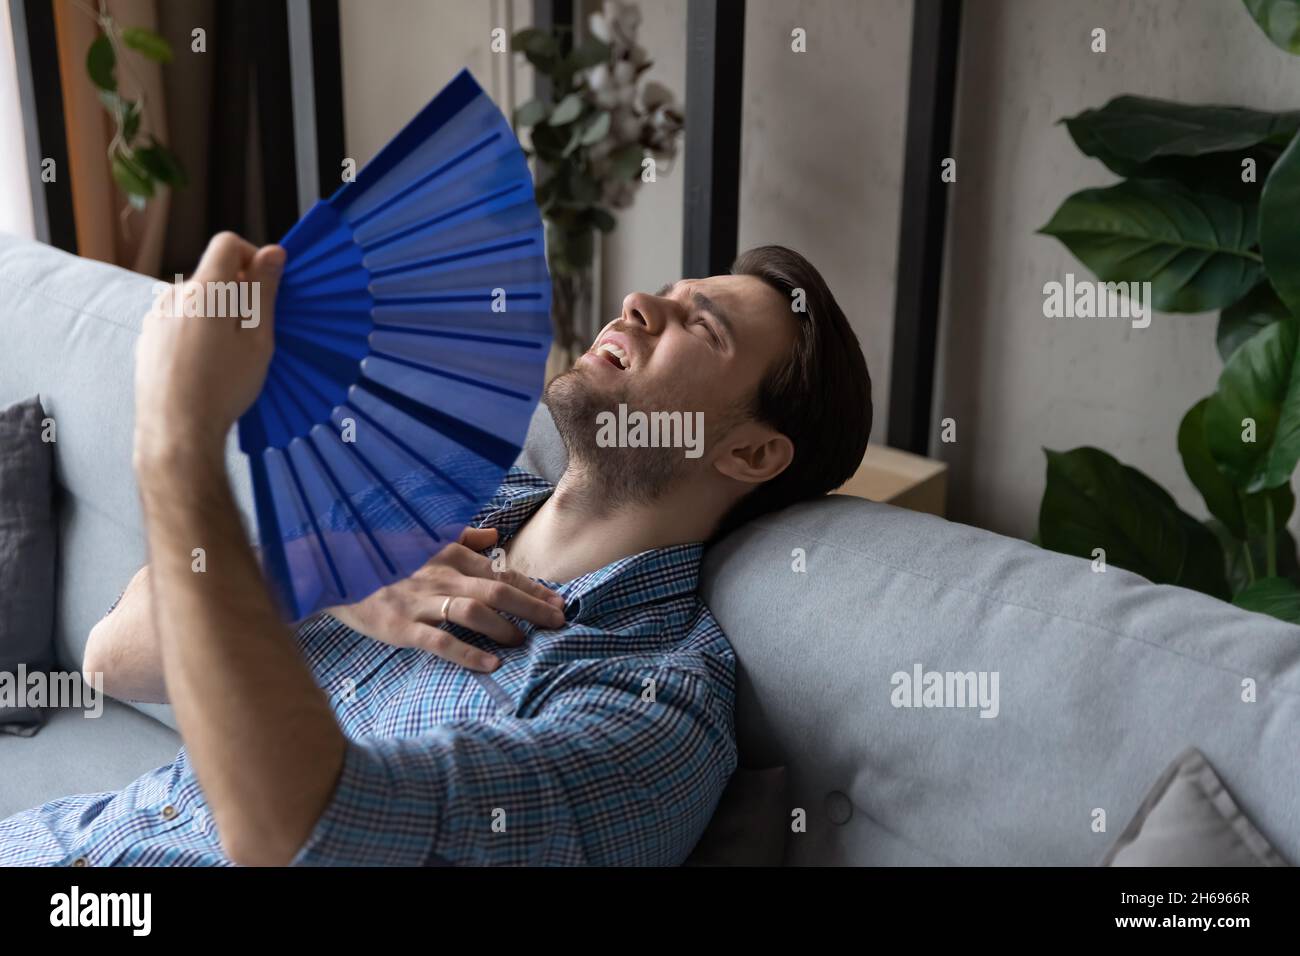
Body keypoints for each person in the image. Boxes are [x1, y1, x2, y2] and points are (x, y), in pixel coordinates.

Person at [0, 233, 871, 866]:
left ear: (751, 454)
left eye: (701, 326)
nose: (640, 303)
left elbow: (301, 827)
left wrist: (177, 436)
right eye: (670, 291)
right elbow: (114, 656)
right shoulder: (443, 505)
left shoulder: (651, 711)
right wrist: (324, 574)